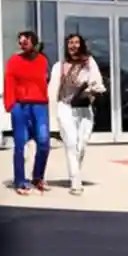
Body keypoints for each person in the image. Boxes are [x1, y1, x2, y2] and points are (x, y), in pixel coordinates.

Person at [49, 33, 105, 195]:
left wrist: (93, 89)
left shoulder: (89, 63)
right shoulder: (59, 66)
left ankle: (75, 173)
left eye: (76, 43)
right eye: (70, 43)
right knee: (71, 143)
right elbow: (52, 91)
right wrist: (52, 116)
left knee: (82, 145)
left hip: (85, 108)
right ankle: (75, 181)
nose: (73, 46)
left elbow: (97, 81)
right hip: (65, 107)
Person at [4, 30, 51, 195]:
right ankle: (20, 180)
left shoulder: (43, 60)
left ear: (34, 42)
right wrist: (10, 104)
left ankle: (38, 176)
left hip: (40, 105)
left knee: (44, 141)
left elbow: (45, 80)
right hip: (20, 104)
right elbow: (9, 81)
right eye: (20, 41)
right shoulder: (14, 61)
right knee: (20, 143)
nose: (23, 43)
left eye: (27, 40)